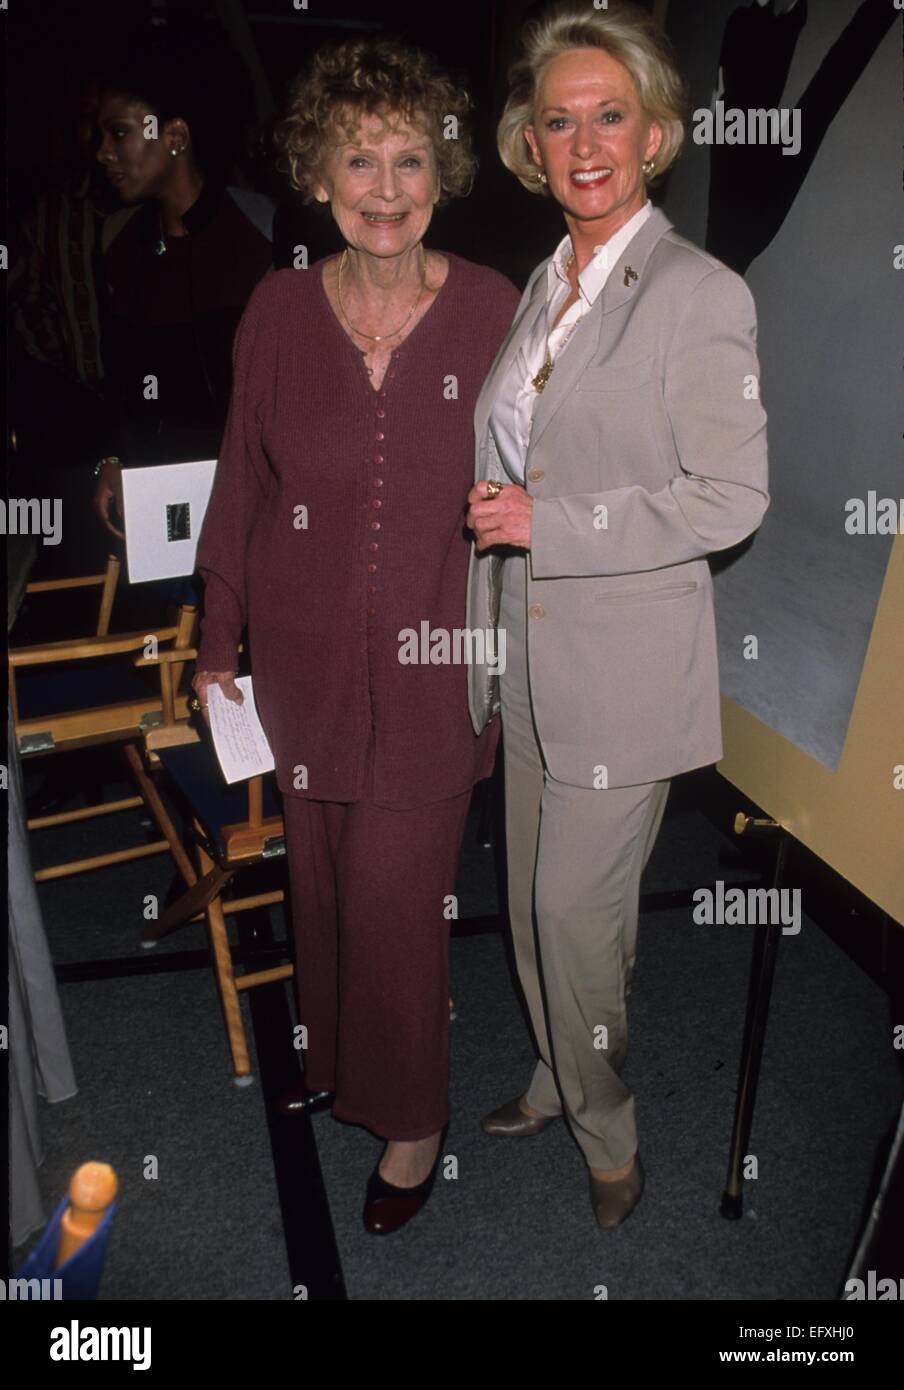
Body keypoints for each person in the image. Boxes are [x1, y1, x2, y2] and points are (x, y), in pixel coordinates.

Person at [192, 36, 519, 1235]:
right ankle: (346, 1064)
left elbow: (556, 463)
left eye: (410, 160)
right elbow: (241, 481)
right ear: (317, 177)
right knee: (323, 889)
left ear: (443, 174)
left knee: (396, 902)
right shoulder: (278, 309)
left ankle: (414, 1119)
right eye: (359, 161)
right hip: (304, 661)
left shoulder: (492, 309)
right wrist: (218, 639)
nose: (387, 186)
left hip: (440, 670)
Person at [466, 0, 769, 1230]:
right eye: (557, 120)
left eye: (609, 117)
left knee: (568, 918)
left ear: (656, 135)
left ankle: (609, 1129)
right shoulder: (547, 283)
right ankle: (556, 1068)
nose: (582, 142)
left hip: (623, 667)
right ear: (525, 143)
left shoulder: (698, 293)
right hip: (526, 646)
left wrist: (557, 527)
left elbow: (732, 496)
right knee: (538, 901)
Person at [91, 19, 274, 552]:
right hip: (155, 501)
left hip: (249, 501)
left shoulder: (263, 230)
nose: (103, 152)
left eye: (119, 132)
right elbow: (118, 374)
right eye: (100, 136)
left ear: (174, 136)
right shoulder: (118, 241)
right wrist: (111, 457)